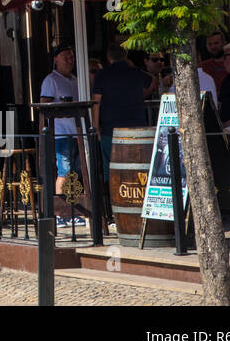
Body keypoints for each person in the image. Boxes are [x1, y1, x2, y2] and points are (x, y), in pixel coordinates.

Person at [92, 44, 149, 195]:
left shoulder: (102, 75)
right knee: (136, 167)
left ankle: (113, 204)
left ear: (109, 57)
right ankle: (136, 201)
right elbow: (152, 82)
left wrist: (95, 127)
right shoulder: (136, 72)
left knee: (111, 169)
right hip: (137, 127)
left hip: (111, 128)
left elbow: (96, 101)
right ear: (125, 55)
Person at [39, 45, 85, 226]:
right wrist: (61, 109)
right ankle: (61, 213)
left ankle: (73, 210)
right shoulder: (51, 80)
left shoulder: (75, 80)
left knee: (76, 172)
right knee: (64, 171)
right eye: (65, 57)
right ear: (55, 60)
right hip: (61, 134)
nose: (69, 60)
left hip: (76, 133)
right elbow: (44, 105)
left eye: (71, 57)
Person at [198, 29, 229, 94]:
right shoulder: (202, 66)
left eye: (216, 43)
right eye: (210, 44)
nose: (213, 47)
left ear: (224, 43)